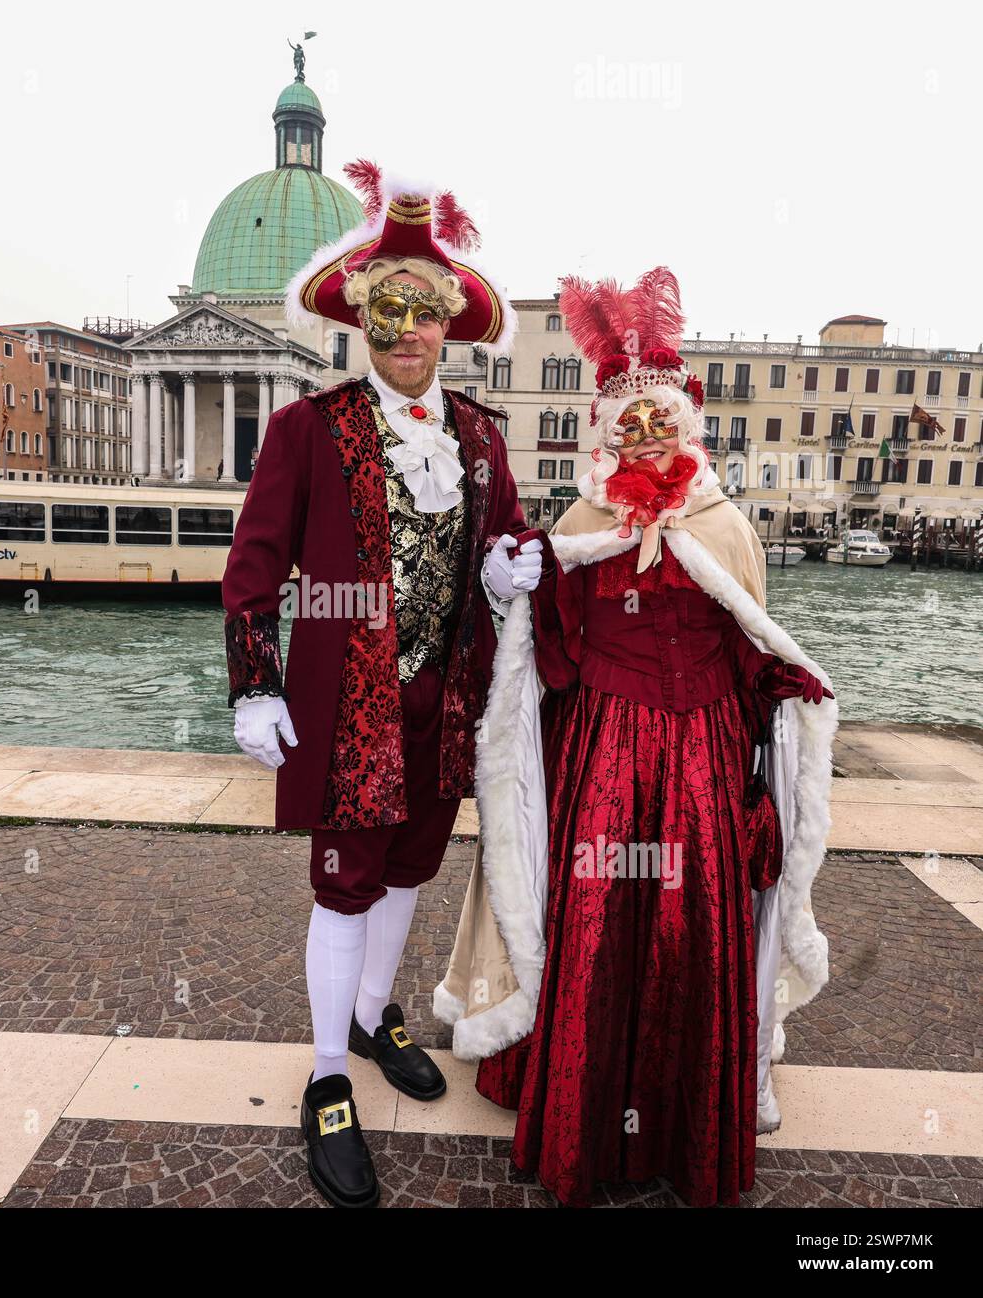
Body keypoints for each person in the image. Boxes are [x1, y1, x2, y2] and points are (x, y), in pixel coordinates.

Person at [435, 266, 839, 1207]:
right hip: (604, 757)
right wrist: (523, 593)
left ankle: (678, 1115)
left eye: (663, 422)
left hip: (698, 754)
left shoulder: (727, 527)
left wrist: (765, 747)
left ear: (688, 430)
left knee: (685, 927)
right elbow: (550, 657)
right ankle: (588, 1108)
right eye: (631, 425)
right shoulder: (579, 522)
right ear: (606, 435)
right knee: (599, 916)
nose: (648, 438)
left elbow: (750, 643)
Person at [223, 163, 539, 1208]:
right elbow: (256, 565)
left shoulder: (484, 437)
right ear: (360, 318)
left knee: (409, 869)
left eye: (423, 312)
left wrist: (511, 569)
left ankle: (372, 1010)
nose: (406, 330)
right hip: (343, 699)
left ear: (449, 324)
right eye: (387, 309)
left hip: (443, 698)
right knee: (342, 879)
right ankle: (326, 1069)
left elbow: (506, 550)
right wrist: (254, 685)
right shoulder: (308, 429)